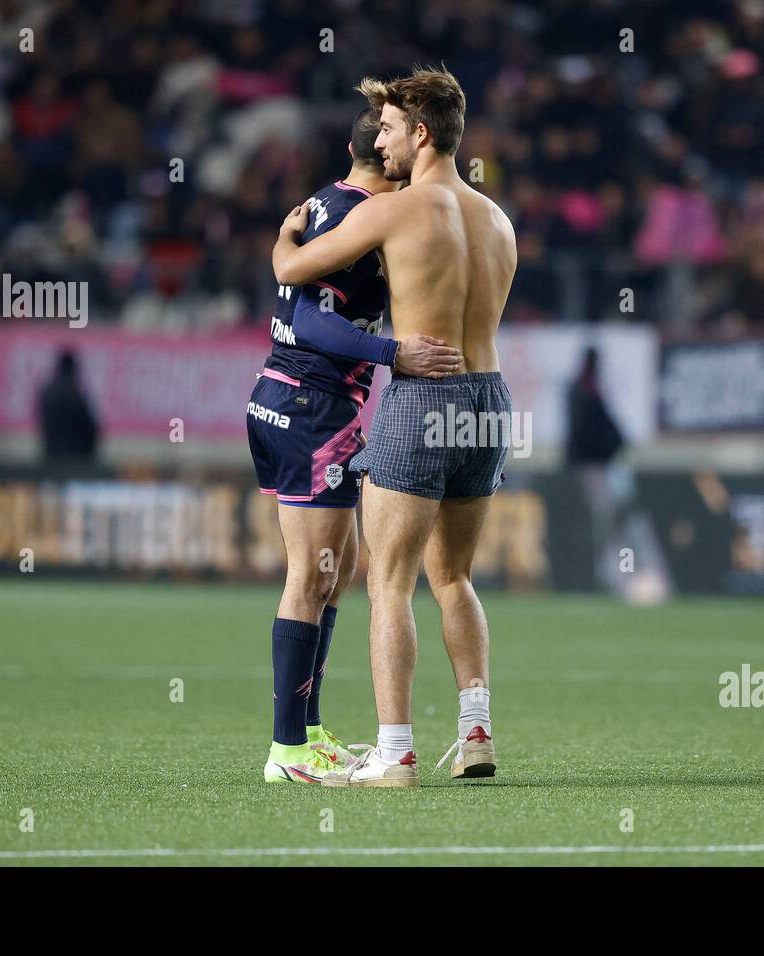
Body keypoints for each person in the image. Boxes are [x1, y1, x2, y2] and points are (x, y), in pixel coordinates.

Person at [272, 66, 517, 788]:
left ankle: (396, 752)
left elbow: (295, 273)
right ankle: (475, 732)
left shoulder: (394, 211)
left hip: (423, 396)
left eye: (386, 129)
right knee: (456, 575)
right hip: (490, 399)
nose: (378, 143)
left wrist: (284, 239)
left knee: (388, 581)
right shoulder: (498, 219)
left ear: (420, 133)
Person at [248, 108, 462, 784]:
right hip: (307, 402)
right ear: (380, 145)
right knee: (312, 574)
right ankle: (286, 749)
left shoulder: (330, 203)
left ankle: (307, 731)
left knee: (333, 573)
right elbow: (313, 319)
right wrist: (392, 351)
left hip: (308, 402)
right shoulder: (360, 214)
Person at [38, 350, 98, 462]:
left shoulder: (47, 392)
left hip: (51, 453)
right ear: (73, 368)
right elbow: (89, 428)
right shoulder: (76, 394)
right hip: (75, 456)